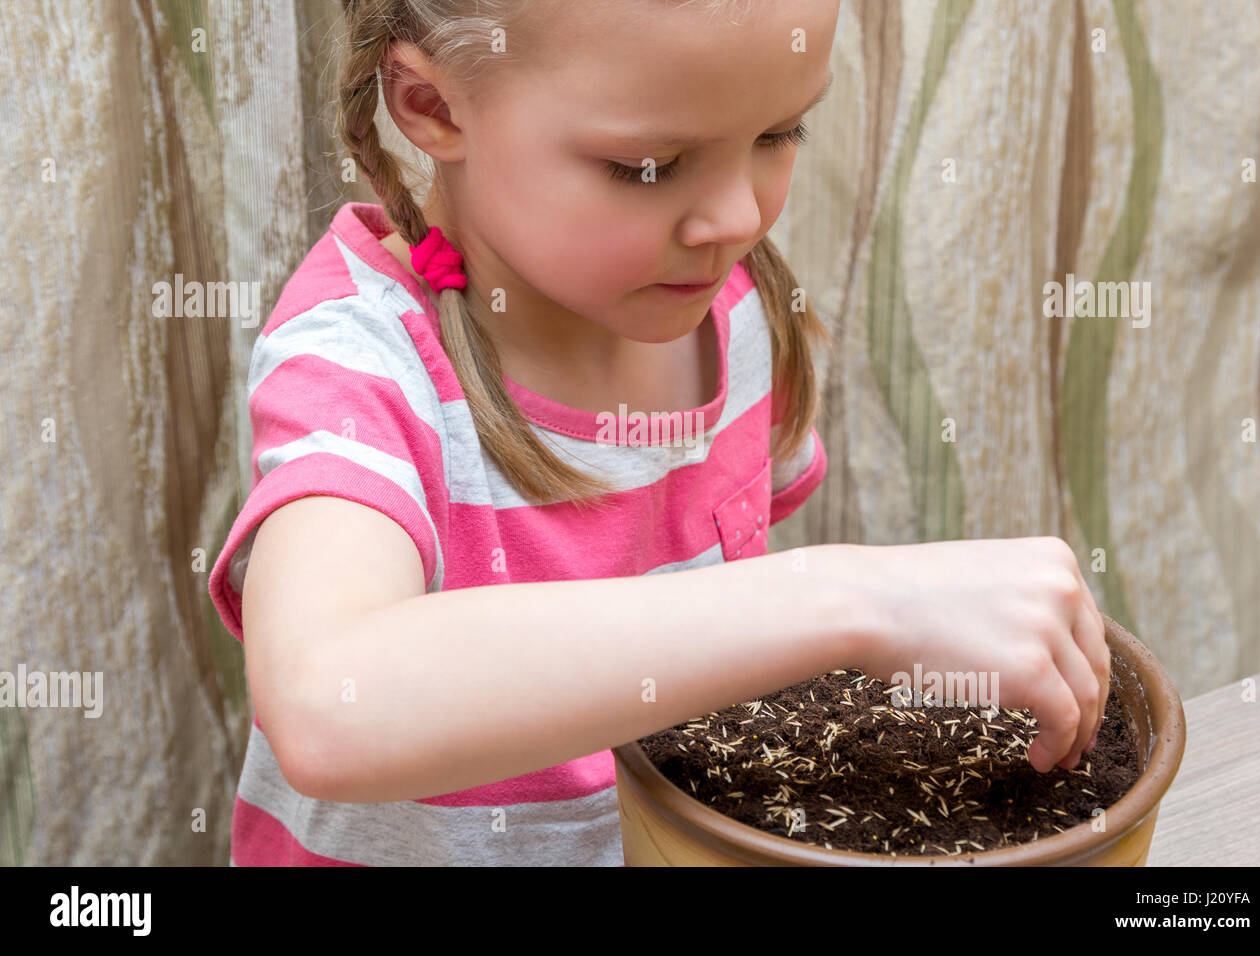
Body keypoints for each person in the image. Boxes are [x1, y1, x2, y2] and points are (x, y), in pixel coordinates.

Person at [209, 0, 1108, 866]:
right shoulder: (357, 367)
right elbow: (331, 702)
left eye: (777, 135)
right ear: (432, 106)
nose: (737, 219)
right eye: (650, 164)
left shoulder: (740, 317)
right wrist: (857, 599)